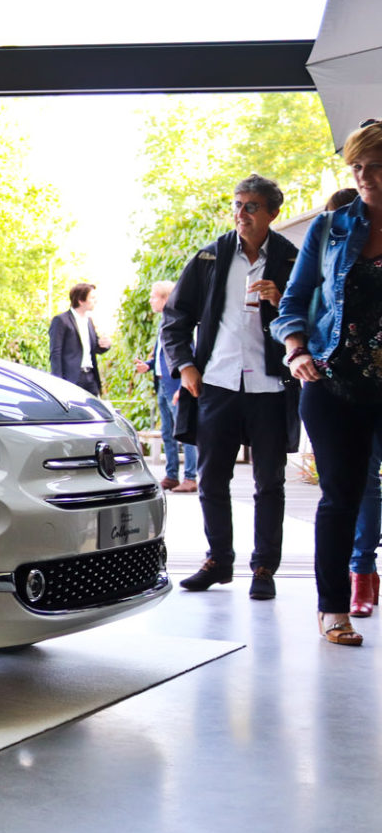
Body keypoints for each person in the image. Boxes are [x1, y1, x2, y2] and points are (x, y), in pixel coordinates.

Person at [161, 174, 300, 601]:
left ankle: (264, 567)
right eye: (237, 205)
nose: (241, 213)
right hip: (217, 383)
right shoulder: (209, 257)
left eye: (251, 206)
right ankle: (219, 560)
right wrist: (185, 367)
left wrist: (282, 301)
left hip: (271, 386)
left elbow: (314, 317)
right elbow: (175, 318)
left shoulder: (292, 260)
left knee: (269, 483)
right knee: (211, 479)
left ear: (273, 213)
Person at [273, 124, 382, 646]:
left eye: (376, 165)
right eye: (357, 167)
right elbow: (292, 304)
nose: (364, 176)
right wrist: (295, 350)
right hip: (334, 381)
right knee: (341, 495)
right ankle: (333, 607)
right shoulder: (331, 228)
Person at [322, 188, 382, 619]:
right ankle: (359, 575)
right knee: (359, 485)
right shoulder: (330, 234)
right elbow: (301, 303)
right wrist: (298, 348)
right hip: (348, 380)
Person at [135, 280, 199, 492]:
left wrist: (183, 386)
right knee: (168, 433)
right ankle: (171, 475)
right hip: (162, 383)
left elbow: (187, 353)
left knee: (184, 432)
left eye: (154, 296)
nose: (150, 300)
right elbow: (164, 353)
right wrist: (149, 365)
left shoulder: (180, 320)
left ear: (165, 298)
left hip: (176, 385)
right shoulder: (164, 320)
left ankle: (190, 477)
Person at [49, 283, 111, 395]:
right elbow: (55, 352)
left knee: (93, 410)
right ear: (81, 300)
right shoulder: (61, 320)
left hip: (90, 377)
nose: (95, 301)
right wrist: (57, 382)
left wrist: (105, 345)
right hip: (71, 378)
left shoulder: (89, 321)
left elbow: (94, 348)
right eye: (92, 298)